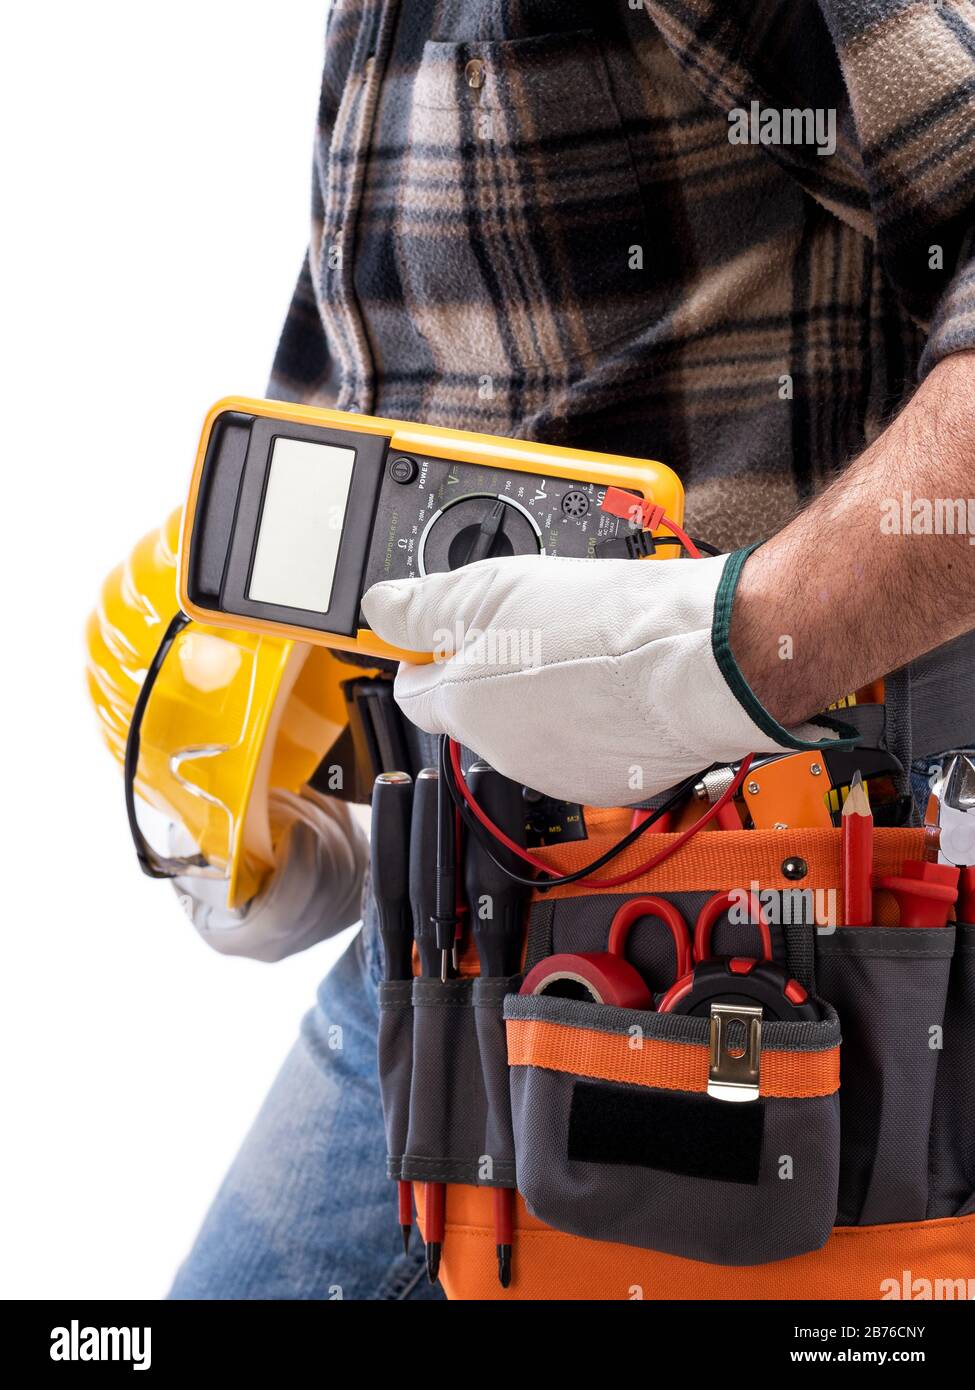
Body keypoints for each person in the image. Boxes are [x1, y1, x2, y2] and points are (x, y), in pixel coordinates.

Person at [165, 1, 975, 1298]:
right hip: (447, 924)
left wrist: (731, 648)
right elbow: (439, 377)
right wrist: (345, 801)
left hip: (781, 931)